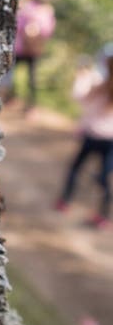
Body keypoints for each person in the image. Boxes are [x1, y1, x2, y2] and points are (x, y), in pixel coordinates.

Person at [56, 46, 113, 229]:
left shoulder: (98, 85)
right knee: (104, 177)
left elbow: (81, 98)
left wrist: (82, 78)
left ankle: (65, 200)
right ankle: (103, 214)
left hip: (93, 136)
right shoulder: (101, 85)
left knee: (76, 168)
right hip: (107, 140)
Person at [13, 0, 55, 108]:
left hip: (21, 47)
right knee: (32, 76)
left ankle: (12, 96)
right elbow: (48, 31)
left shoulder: (26, 8)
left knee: (12, 72)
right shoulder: (46, 11)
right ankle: (31, 102)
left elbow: (17, 26)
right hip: (35, 49)